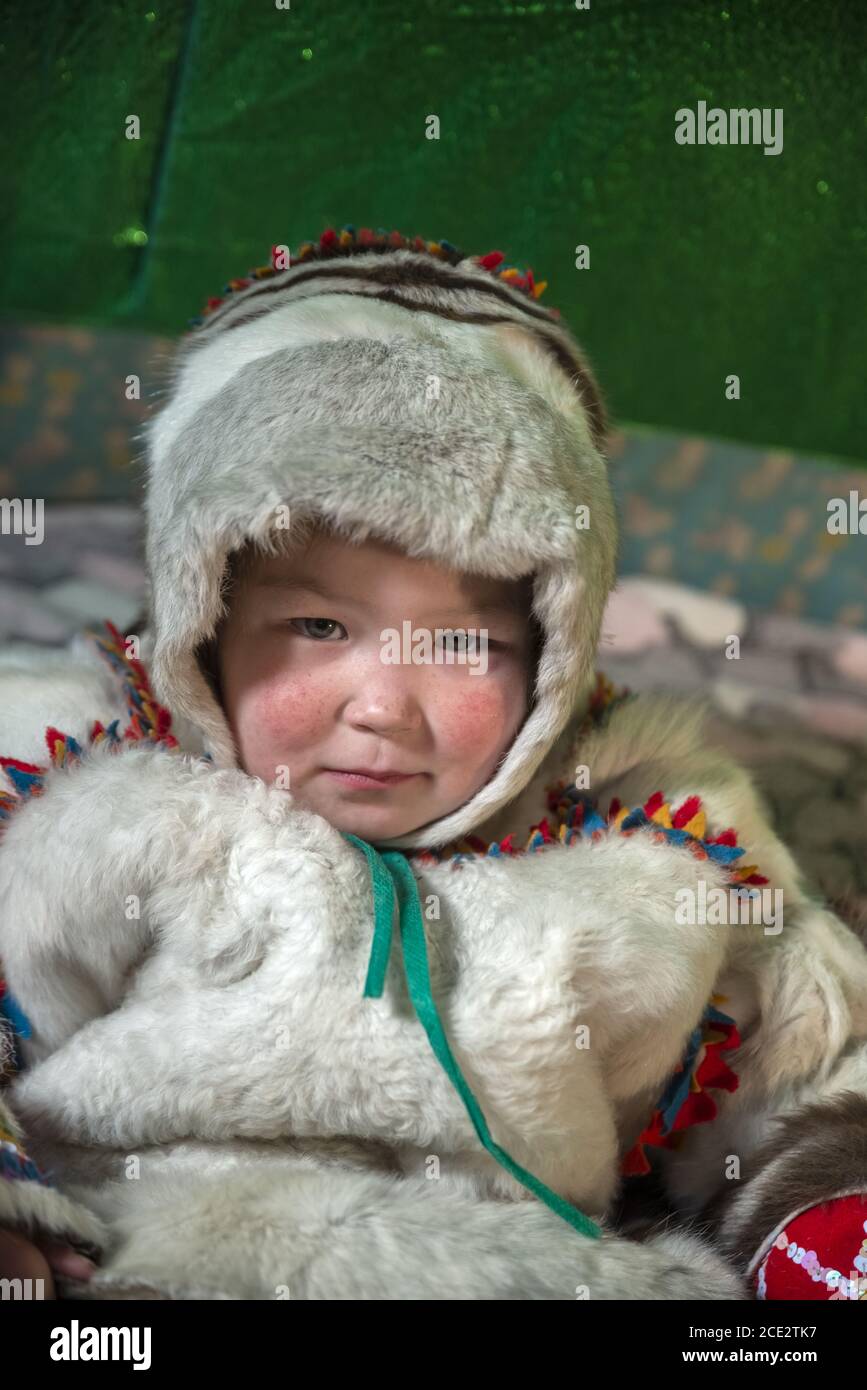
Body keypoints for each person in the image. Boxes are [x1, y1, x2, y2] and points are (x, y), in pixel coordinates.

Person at [1, 225, 865, 1300]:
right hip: (142, 1256)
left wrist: (828, 1228)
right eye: (317, 626)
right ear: (204, 616)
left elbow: (805, 1063)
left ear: (554, 646)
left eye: (463, 643)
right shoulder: (77, 770)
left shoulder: (658, 834)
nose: (383, 708)